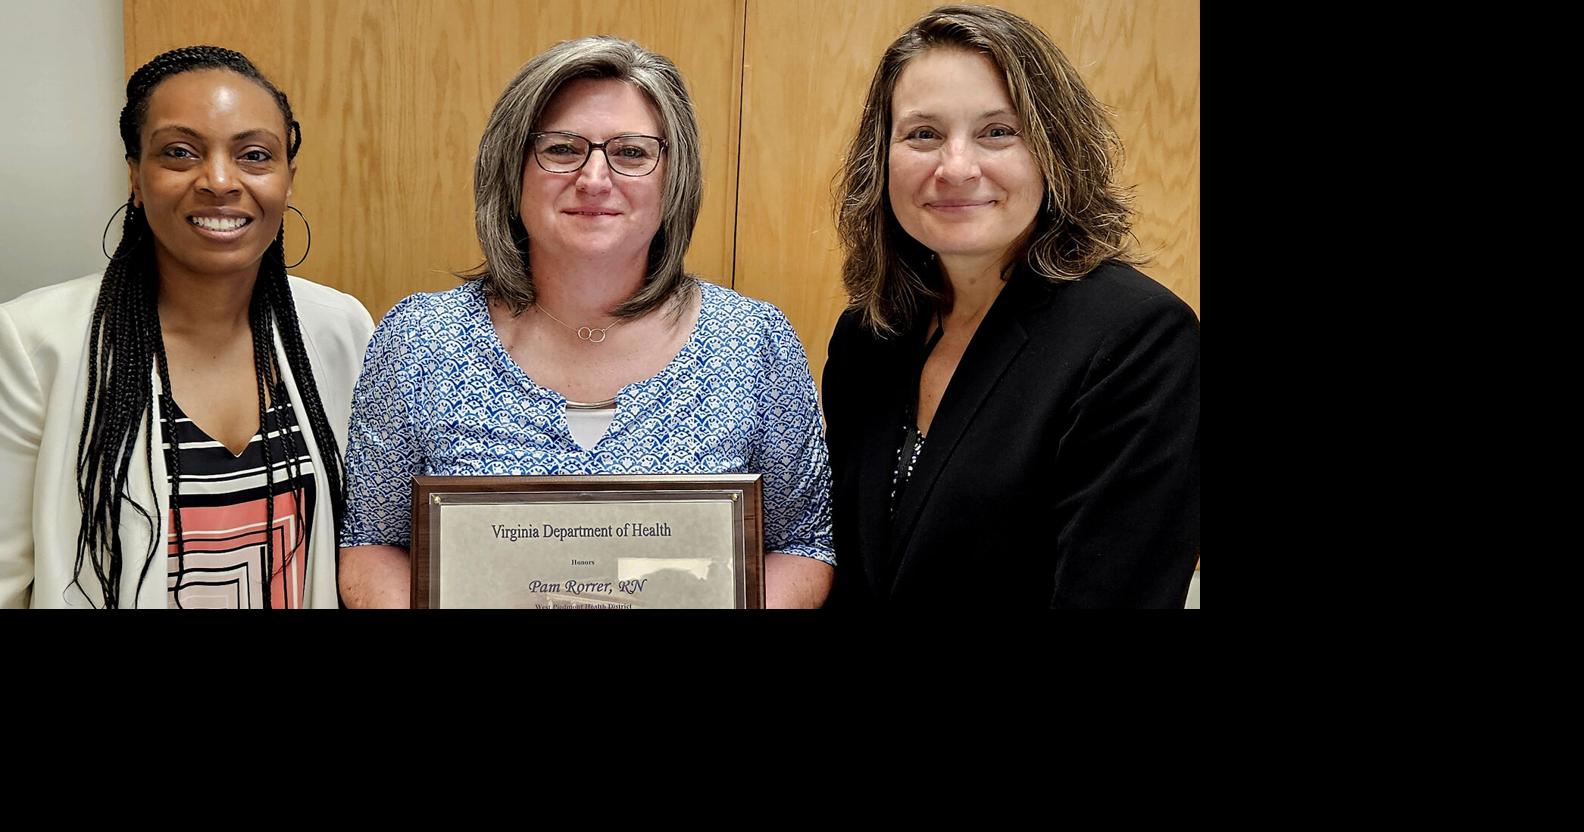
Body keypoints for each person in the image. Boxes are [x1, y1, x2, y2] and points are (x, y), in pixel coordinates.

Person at [338, 36, 833, 608]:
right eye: (563, 148)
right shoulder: (420, 340)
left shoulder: (755, 342)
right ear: (512, 167)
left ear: (674, 179)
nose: (595, 179)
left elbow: (804, 545)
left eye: (631, 152)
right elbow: (372, 545)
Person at [823, 5, 1201, 607]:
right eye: (923, 134)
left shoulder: (1138, 339)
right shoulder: (869, 335)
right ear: (882, 158)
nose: (957, 168)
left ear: (1053, 151)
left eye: (999, 132)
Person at [0, 46, 373, 608]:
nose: (220, 181)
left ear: (287, 180)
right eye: (179, 153)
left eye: (254, 155)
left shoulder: (342, 329)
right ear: (135, 174)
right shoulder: (35, 342)